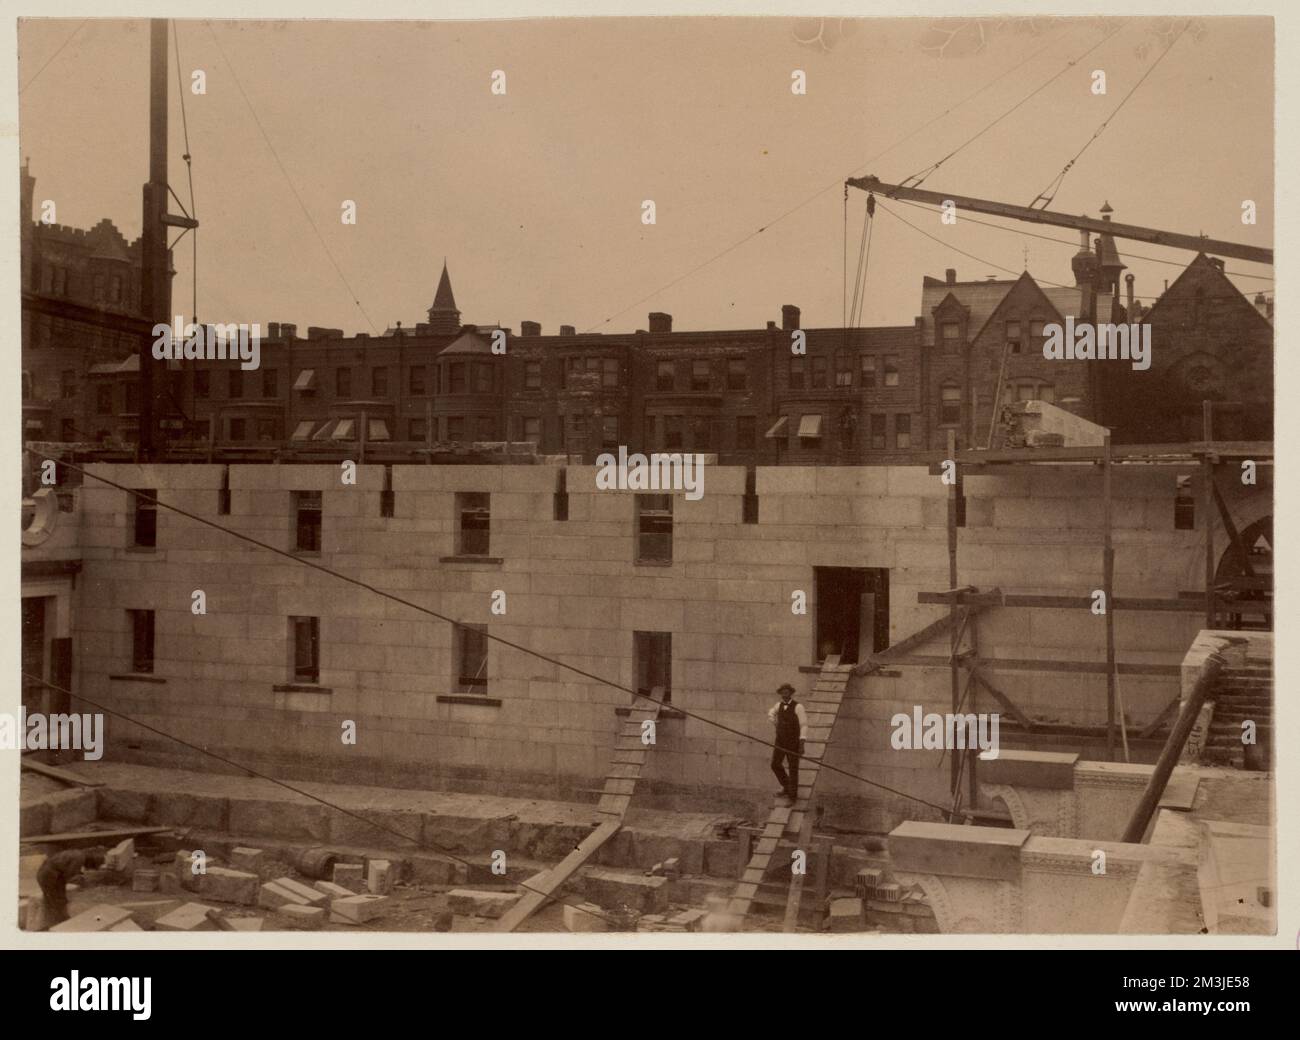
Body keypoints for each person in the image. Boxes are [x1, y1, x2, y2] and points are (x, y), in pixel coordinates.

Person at [36, 846, 106, 927]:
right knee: (55, 901)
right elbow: (71, 876)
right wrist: (85, 882)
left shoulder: (80, 854)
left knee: (61, 899)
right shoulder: (79, 858)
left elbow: (67, 871)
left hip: (54, 875)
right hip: (48, 876)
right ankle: (59, 925)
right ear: (92, 862)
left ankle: (62, 921)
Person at [767, 682, 806, 805]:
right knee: (775, 764)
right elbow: (770, 714)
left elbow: (804, 725)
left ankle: (792, 797)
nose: (785, 694)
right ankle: (787, 786)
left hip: (793, 742)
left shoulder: (798, 707)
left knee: (793, 769)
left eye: (787, 691)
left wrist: (801, 744)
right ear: (780, 694)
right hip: (780, 741)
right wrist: (775, 723)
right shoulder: (778, 705)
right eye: (782, 692)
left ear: (791, 693)